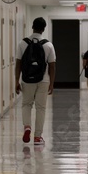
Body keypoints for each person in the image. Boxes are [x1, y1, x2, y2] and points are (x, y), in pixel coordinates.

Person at [15, 17, 56, 146]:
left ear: (32, 26)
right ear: (44, 29)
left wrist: (17, 80)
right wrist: (52, 83)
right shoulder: (48, 45)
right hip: (43, 80)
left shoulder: (22, 43)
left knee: (26, 104)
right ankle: (38, 137)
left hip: (27, 79)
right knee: (41, 108)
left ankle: (27, 126)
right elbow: (52, 66)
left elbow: (18, 64)